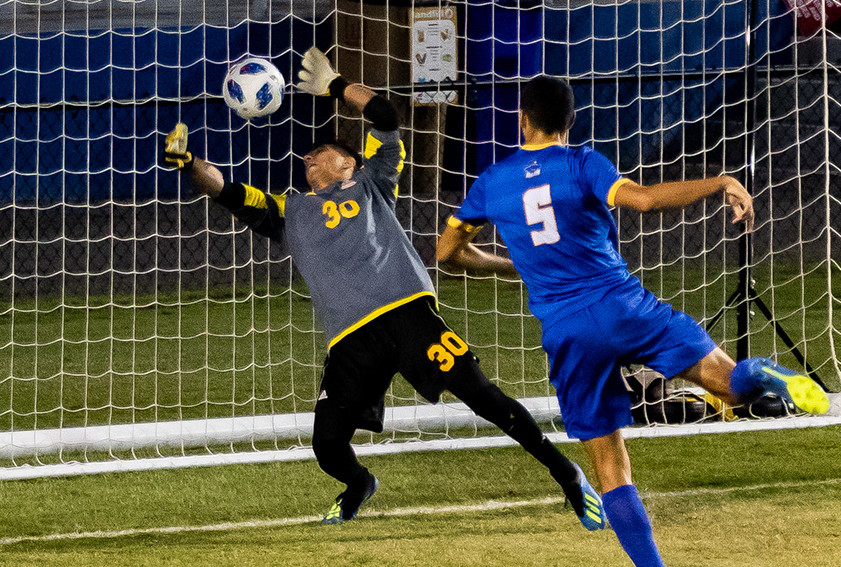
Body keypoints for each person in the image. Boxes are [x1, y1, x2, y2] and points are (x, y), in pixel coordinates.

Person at [162, 49, 606, 529]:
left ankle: (568, 475)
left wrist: (336, 85)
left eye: (321, 152)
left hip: (406, 312)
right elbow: (225, 188)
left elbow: (386, 116)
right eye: (306, 156)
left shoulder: (373, 182)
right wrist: (187, 163)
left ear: (350, 162)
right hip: (349, 338)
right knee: (327, 445)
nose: (308, 158)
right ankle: (359, 485)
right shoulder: (288, 211)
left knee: (483, 397)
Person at [437, 76, 829, 566]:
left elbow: (446, 252)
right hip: (626, 308)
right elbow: (643, 200)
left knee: (610, 468)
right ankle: (764, 373)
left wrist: (510, 263)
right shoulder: (584, 163)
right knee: (730, 385)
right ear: (570, 121)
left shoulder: (491, 183)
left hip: (569, 333)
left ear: (522, 119)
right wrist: (721, 182)